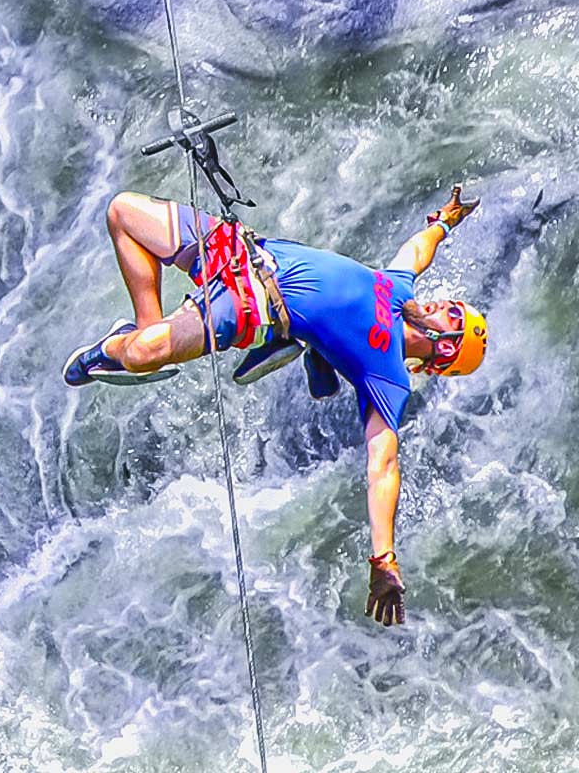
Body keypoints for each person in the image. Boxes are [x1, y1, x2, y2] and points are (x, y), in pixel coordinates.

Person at [63, 186, 489, 627]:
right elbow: (417, 251)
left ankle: (117, 349)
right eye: (454, 307)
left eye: (454, 317)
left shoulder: (387, 375)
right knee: (123, 212)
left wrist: (384, 558)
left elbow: (383, 465)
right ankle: (149, 326)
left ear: (445, 349)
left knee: (141, 353)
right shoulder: (399, 290)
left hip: (251, 303)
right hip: (241, 253)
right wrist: (444, 222)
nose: (445, 305)